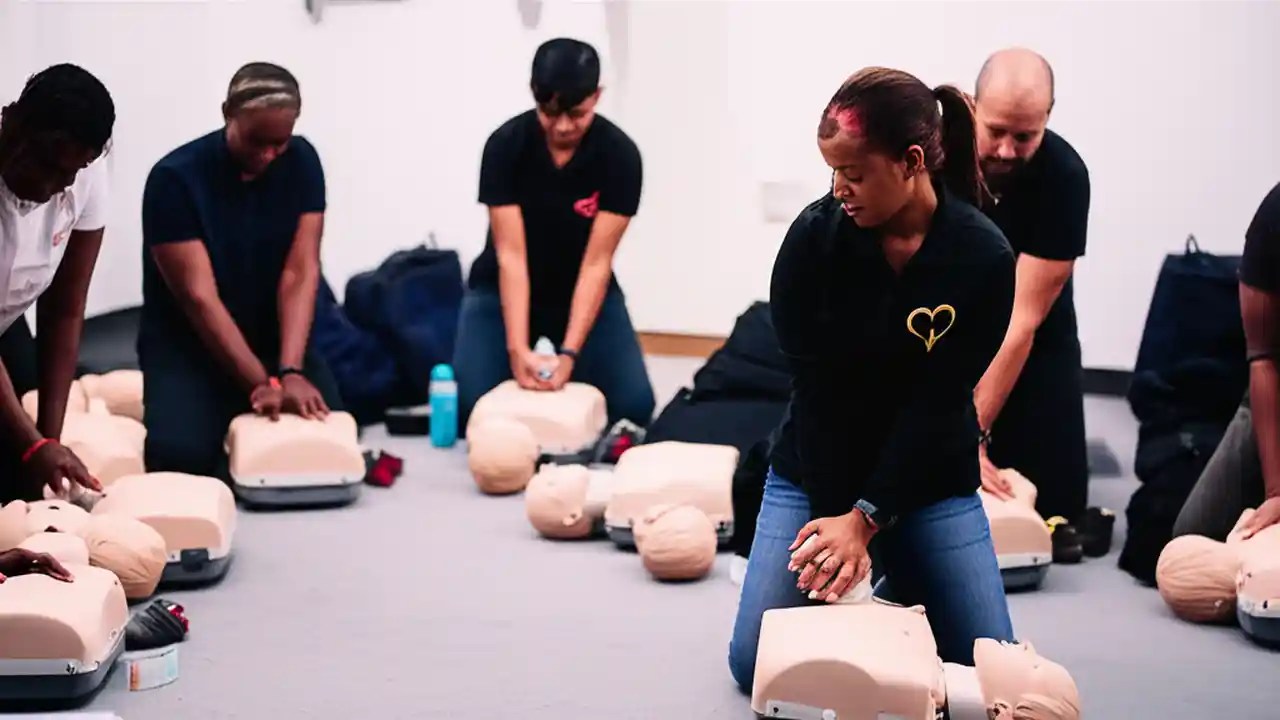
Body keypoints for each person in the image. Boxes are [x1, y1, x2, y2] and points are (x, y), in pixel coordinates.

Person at [727, 66, 1017, 694]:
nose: (839, 189)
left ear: (911, 162)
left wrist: (867, 521)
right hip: (818, 470)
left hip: (929, 477)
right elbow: (815, 397)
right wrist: (838, 523)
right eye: (832, 172)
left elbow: (938, 406)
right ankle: (891, 577)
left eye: (854, 173)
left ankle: (898, 572)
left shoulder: (983, 257)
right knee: (754, 664)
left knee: (987, 667)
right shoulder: (812, 241)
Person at [140, 62, 341, 480]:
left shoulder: (302, 161)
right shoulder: (173, 180)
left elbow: (301, 272)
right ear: (227, 114)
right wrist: (260, 383)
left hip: (272, 340)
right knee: (182, 457)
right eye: (255, 141)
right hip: (190, 346)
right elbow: (200, 298)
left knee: (327, 436)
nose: (267, 155)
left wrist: (289, 371)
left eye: (278, 143)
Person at [453, 38, 655, 431]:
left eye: (576, 114)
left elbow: (597, 263)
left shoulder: (620, 156)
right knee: (469, 407)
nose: (562, 126)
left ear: (596, 96)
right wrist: (516, 348)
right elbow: (511, 256)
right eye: (549, 112)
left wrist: (569, 353)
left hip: (579, 285)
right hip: (500, 286)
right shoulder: (504, 146)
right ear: (534, 94)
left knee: (634, 405)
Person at [968, 48, 1093, 530]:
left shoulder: (1065, 176)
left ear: (1048, 117)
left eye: (1024, 137)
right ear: (973, 106)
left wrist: (973, 433)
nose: (1005, 150)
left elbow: (1023, 319)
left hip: (1034, 339)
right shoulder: (934, 159)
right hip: (943, 328)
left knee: (1057, 504)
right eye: (995, 131)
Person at [0, 64, 113, 503]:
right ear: (11, 122)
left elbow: (64, 309)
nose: (53, 185)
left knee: (22, 480)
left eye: (70, 171)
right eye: (45, 164)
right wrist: (33, 445)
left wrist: (48, 441)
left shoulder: (85, 174)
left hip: (8, 322)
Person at [1173, 181, 1280, 541]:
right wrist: (1276, 493)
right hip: (1276, 381)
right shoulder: (1275, 214)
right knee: (1192, 538)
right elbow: (1264, 357)